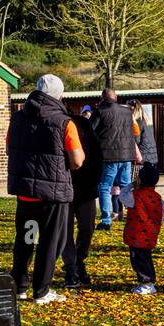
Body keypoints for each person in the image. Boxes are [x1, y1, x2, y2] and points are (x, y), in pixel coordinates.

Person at [6, 74, 84, 304]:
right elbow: (77, 160)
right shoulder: (64, 122)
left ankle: (19, 286)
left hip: (26, 193)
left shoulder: (18, 118)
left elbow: (9, 148)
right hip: (52, 195)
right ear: (59, 95)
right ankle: (41, 290)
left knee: (26, 239)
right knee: (50, 242)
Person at [60, 104, 103, 288]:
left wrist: (95, 180)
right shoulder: (57, 127)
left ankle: (78, 260)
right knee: (67, 230)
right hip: (65, 188)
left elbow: (96, 153)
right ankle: (71, 267)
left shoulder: (82, 125)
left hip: (84, 187)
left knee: (86, 228)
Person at [90, 88, 138, 230]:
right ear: (115, 97)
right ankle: (134, 217)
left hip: (108, 156)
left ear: (102, 98)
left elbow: (90, 129)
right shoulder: (126, 112)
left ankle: (106, 221)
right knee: (126, 187)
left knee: (104, 187)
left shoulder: (99, 111)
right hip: (126, 155)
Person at [120, 162, 164, 295]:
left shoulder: (135, 196)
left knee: (138, 259)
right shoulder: (158, 198)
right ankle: (148, 281)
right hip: (151, 234)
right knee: (146, 258)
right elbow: (162, 213)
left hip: (136, 235)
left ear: (139, 180)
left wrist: (130, 185)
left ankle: (147, 283)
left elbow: (122, 196)